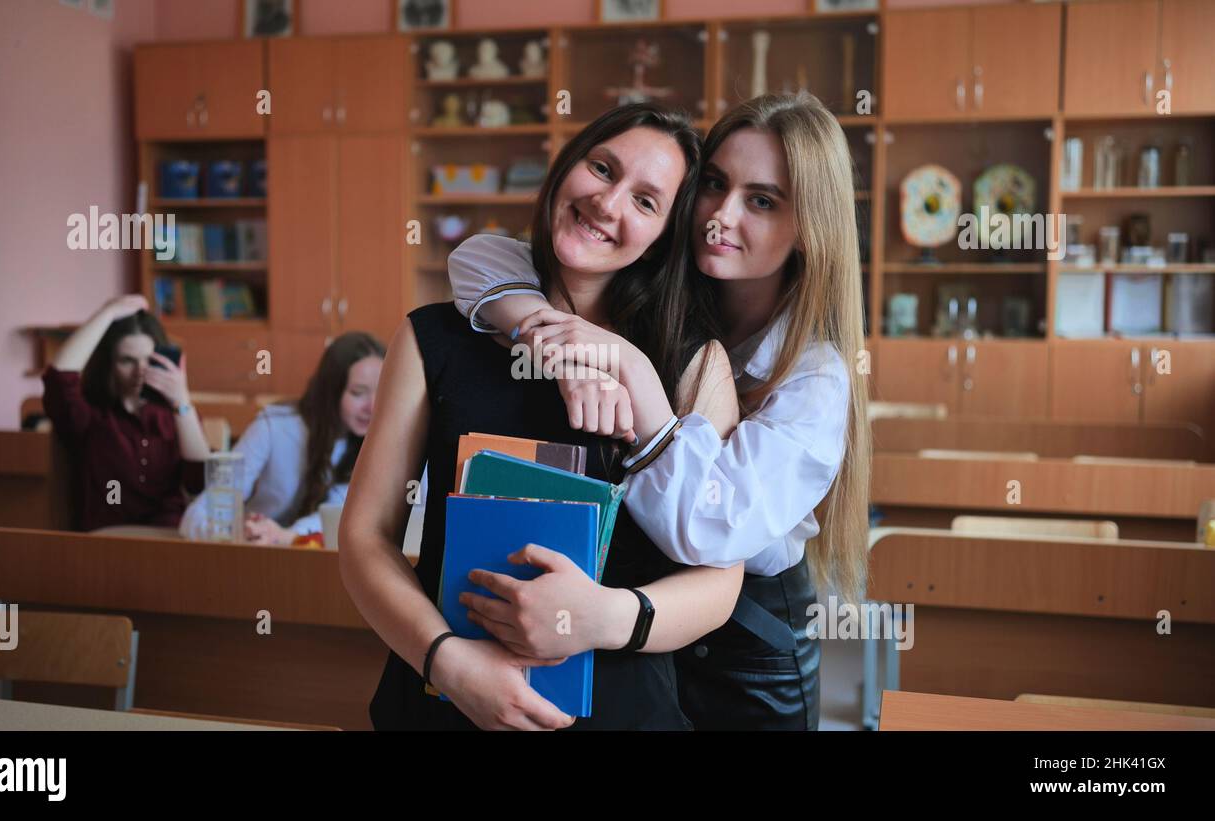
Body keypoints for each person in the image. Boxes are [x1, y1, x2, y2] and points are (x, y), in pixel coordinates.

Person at [446, 92, 870, 730]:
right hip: (637, 635)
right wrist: (549, 338)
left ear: (810, 227)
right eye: (714, 185)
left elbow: (706, 533)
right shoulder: (674, 284)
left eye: (762, 200)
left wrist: (636, 374)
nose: (720, 217)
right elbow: (482, 257)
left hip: (746, 655)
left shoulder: (814, 380)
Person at [339, 103, 743, 731]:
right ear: (564, 167)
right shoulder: (434, 338)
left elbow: (720, 578)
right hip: (441, 697)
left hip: (621, 710)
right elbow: (365, 538)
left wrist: (602, 616)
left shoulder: (693, 364)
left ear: (666, 235)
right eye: (601, 168)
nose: (607, 204)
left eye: (645, 202)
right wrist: (446, 661)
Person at [178, 332, 384, 545]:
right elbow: (199, 514)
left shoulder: (378, 443)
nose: (372, 406)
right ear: (331, 391)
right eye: (358, 393)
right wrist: (237, 533)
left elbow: (339, 519)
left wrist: (285, 536)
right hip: (257, 552)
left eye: (382, 391)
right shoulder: (274, 426)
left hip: (317, 559)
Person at [42, 294, 209, 531]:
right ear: (109, 364)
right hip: (107, 540)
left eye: (148, 360)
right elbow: (59, 378)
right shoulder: (91, 416)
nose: (140, 371)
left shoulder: (176, 415)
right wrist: (107, 314)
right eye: (127, 361)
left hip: (168, 541)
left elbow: (201, 483)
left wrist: (182, 402)